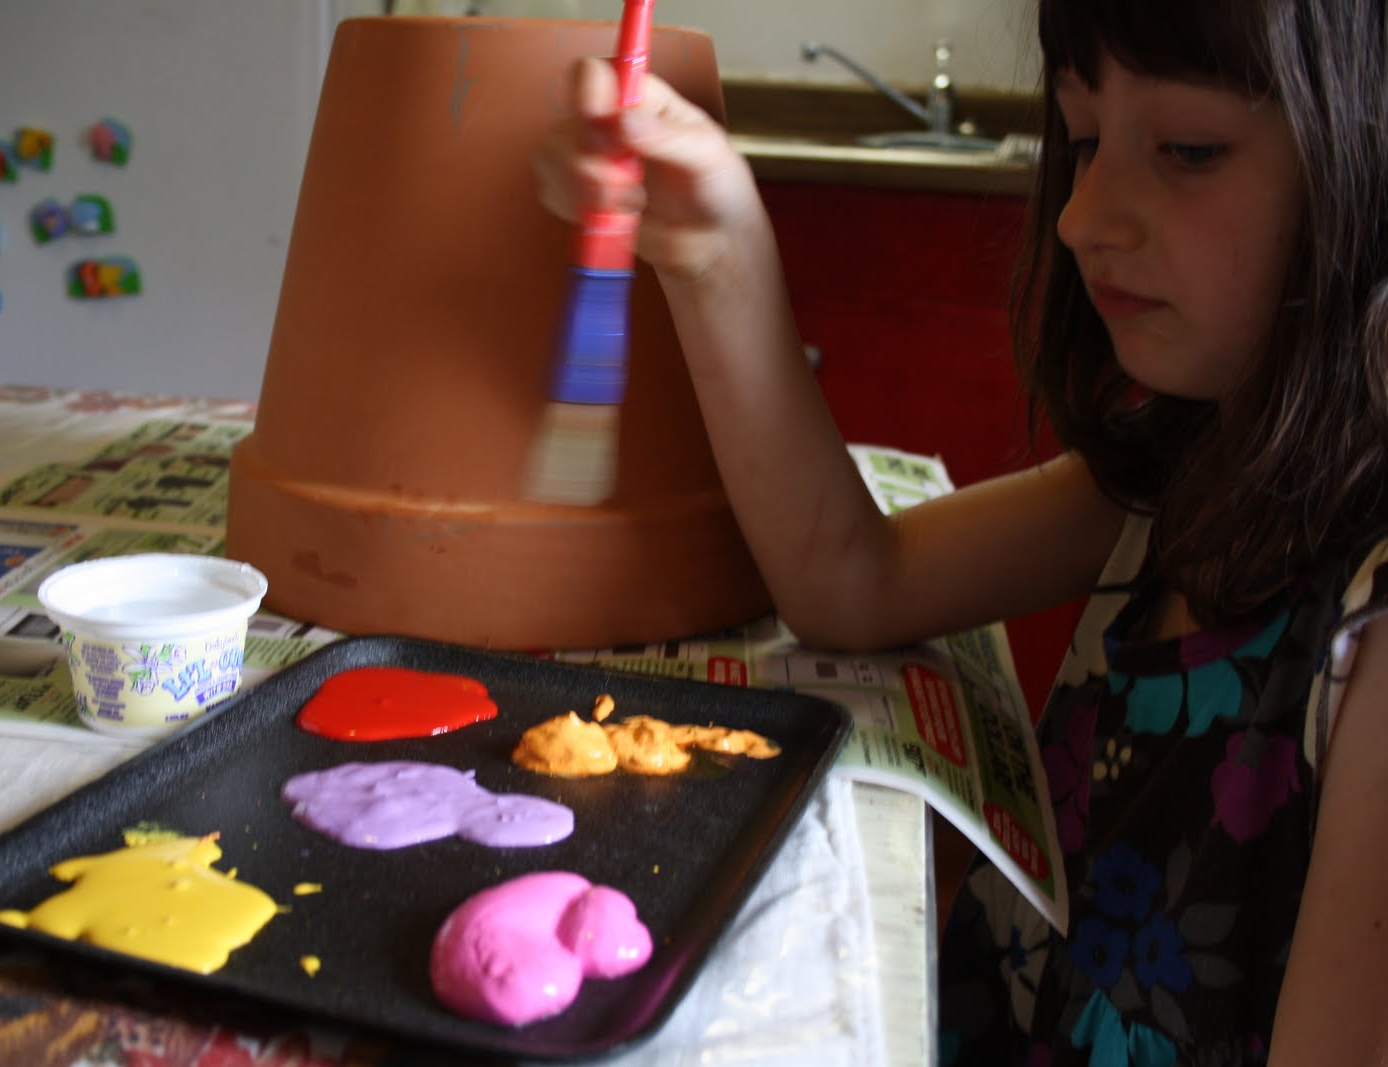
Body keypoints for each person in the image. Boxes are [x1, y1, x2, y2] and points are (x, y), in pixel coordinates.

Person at [533, 0, 1388, 1062]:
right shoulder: (1174, 474)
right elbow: (854, 581)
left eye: (1187, 149)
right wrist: (720, 254)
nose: (1082, 214)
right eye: (1081, 141)